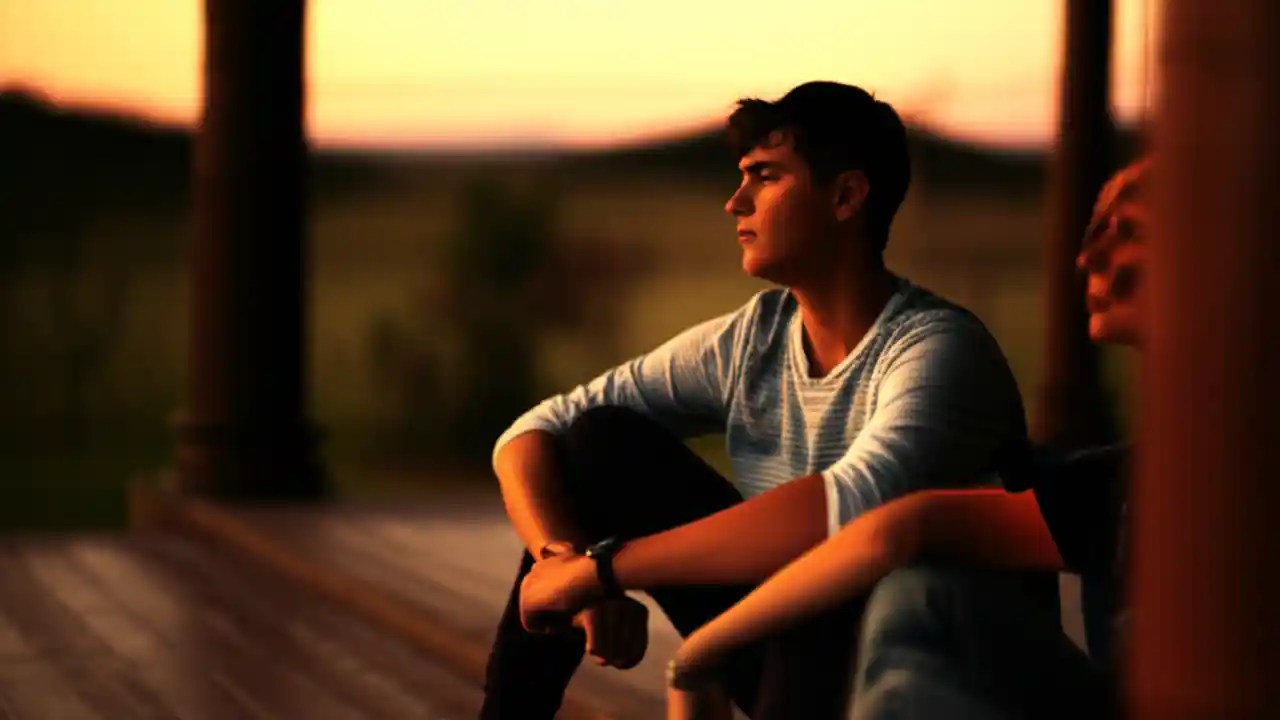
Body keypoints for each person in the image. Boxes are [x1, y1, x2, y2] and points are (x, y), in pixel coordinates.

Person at [484, 81, 1031, 720]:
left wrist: (606, 572)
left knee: (819, 585)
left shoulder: (938, 350)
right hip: (792, 641)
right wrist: (565, 564)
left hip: (935, 676)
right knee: (600, 441)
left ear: (847, 196)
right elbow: (534, 430)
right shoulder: (756, 337)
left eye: (764, 178)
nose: (734, 202)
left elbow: (850, 513)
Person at [658, 157, 1151, 719]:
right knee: (916, 590)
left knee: (872, 595)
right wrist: (582, 569)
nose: (1087, 258)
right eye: (1094, 233)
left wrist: (680, 644)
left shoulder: (934, 347)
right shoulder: (1136, 475)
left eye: (1129, 231)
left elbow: (872, 516)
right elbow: (903, 528)